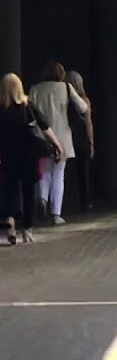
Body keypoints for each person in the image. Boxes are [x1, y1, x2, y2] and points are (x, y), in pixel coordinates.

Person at [0, 73, 62, 244]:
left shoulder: (1, 109)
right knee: (29, 191)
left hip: (8, 156)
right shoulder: (28, 106)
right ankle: (27, 230)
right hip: (29, 155)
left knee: (9, 191)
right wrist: (57, 145)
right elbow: (45, 127)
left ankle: (10, 224)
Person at [28, 61, 87, 225]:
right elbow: (83, 108)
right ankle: (56, 214)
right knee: (59, 174)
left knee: (44, 172)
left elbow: (30, 112)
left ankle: (42, 198)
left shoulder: (35, 89)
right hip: (62, 135)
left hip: (41, 136)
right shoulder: (66, 88)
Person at [66, 70, 95, 213]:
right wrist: (91, 142)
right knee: (83, 172)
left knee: (67, 172)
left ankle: (68, 202)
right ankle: (85, 202)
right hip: (82, 138)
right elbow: (88, 122)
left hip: (67, 136)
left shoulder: (65, 100)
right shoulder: (84, 100)